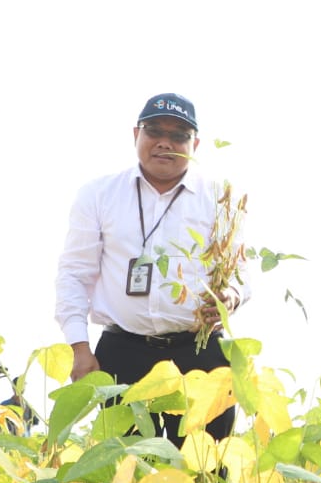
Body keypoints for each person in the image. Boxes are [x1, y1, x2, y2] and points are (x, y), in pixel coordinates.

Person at [54, 92, 248, 451]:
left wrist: (231, 297)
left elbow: (241, 273)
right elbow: (74, 275)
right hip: (123, 352)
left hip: (199, 353)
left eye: (179, 136)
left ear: (196, 144)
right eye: (154, 130)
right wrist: (79, 348)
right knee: (124, 479)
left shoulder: (221, 196)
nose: (165, 142)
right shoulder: (99, 195)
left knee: (206, 472)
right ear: (135, 135)